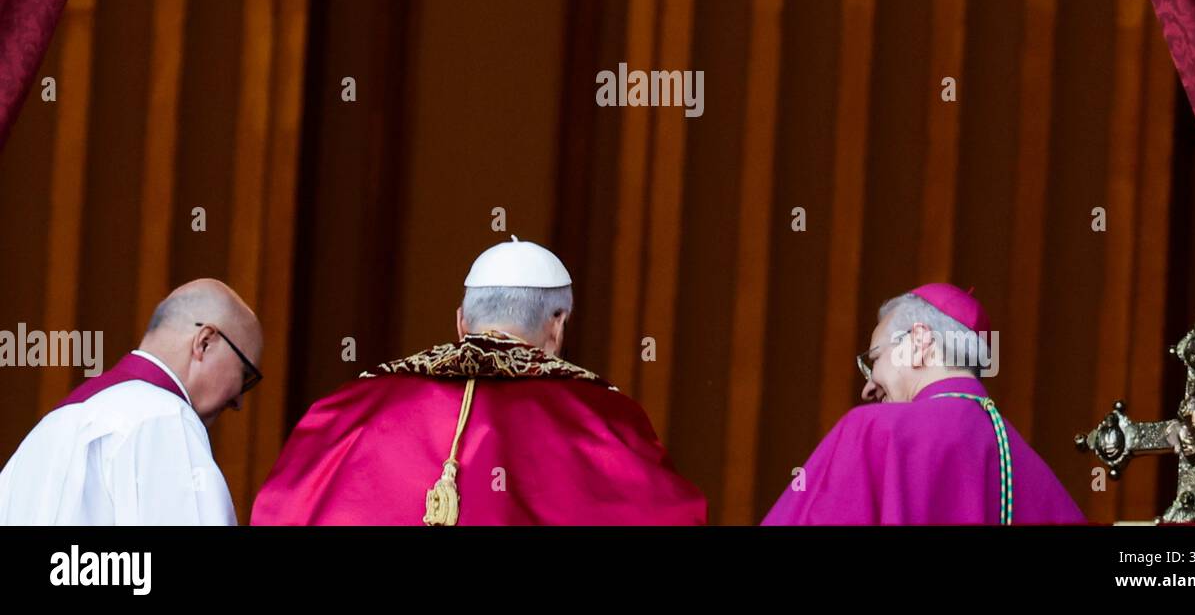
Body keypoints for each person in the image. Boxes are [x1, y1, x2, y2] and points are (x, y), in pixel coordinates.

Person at [253, 236, 705, 525]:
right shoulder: (603, 417)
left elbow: (283, 508)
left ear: (460, 321)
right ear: (559, 324)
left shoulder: (354, 406)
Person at [763, 283, 1085, 525]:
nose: (868, 388)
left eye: (873, 359)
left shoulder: (874, 429)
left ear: (918, 342)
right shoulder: (1025, 465)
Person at [0, 278, 262, 524]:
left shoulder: (47, 429)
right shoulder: (165, 418)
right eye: (245, 375)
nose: (238, 401)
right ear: (204, 342)